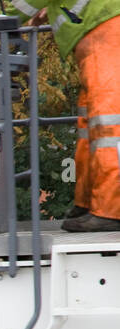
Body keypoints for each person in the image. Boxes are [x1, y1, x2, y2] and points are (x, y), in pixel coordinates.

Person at [14, 1, 120, 231]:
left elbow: (24, 3)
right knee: (90, 127)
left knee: (107, 126)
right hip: (99, 31)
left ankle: (111, 211)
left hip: (106, 29)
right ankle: (90, 203)